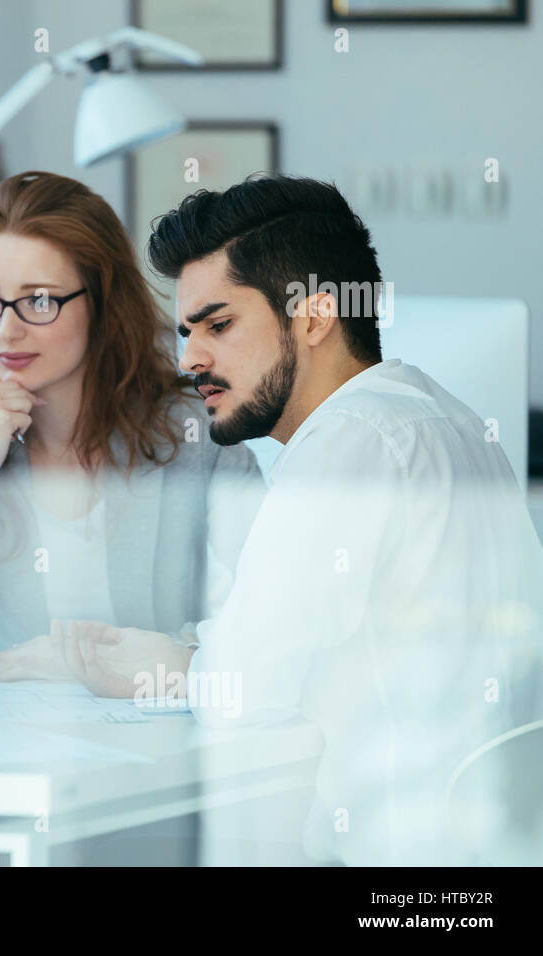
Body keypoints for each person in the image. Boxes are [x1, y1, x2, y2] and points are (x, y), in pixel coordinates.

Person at [56, 174, 543, 865]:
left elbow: (245, 696)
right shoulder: (450, 420)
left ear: (314, 317)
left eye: (219, 325)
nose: (190, 359)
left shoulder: (348, 446)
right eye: (186, 331)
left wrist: (165, 668)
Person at [0, 171, 264, 683]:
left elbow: (276, 603)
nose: (6, 330)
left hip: (150, 734)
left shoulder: (190, 429)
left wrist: (164, 656)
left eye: (40, 300)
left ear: (101, 301)